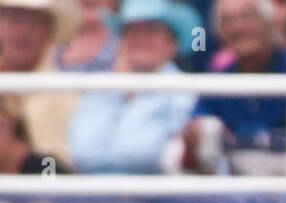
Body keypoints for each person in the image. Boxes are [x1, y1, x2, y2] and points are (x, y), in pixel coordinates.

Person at [178, 0, 286, 174]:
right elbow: (197, 140)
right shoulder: (217, 81)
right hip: (235, 187)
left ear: (270, 23)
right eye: (227, 20)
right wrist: (195, 138)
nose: (238, 27)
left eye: (247, 16)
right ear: (220, 32)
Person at [67, 0, 201, 173]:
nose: (142, 38)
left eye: (152, 30)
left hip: (155, 197)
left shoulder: (184, 94)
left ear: (172, 43)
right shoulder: (99, 91)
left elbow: (189, 164)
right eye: (133, 30)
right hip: (86, 197)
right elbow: (77, 154)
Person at [0, 0, 80, 166]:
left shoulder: (64, 93)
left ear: (50, 32)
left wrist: (20, 157)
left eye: (34, 23)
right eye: (15, 20)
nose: (23, 31)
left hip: (39, 185)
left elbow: (52, 168)